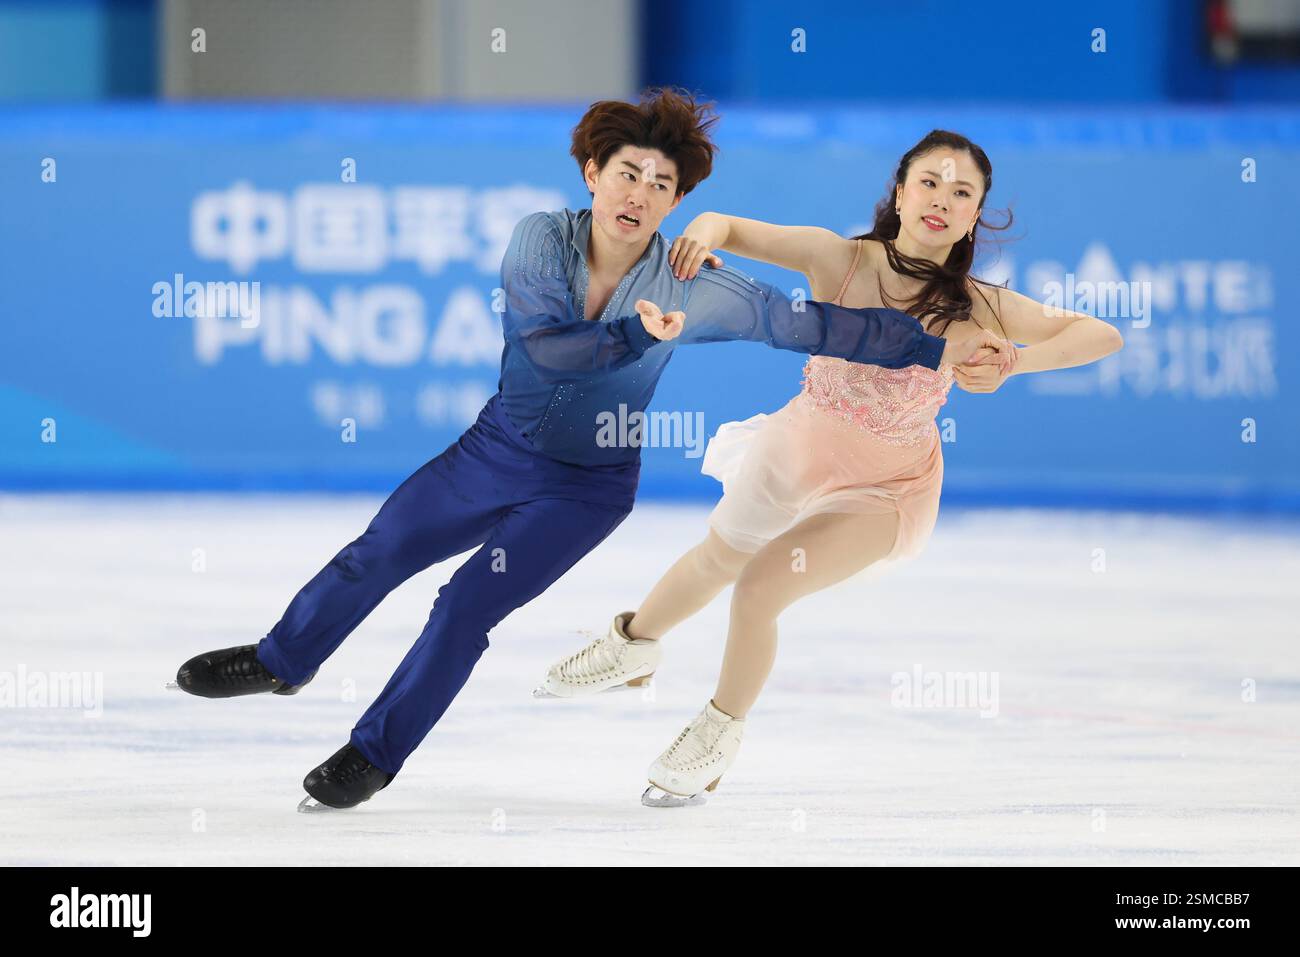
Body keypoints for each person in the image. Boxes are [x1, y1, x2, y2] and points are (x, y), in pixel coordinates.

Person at [172, 97, 1012, 810]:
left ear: (675, 200)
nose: (641, 194)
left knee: (465, 606)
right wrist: (627, 337)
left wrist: (934, 348)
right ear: (591, 175)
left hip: (587, 489)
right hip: (492, 451)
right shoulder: (540, 240)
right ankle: (282, 660)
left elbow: (810, 325)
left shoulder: (689, 281)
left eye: (661, 185)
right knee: (376, 553)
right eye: (627, 175)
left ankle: (375, 754)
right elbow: (545, 349)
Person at [536, 129, 1124, 807]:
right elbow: (730, 226)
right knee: (716, 557)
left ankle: (717, 731)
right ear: (899, 194)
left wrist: (1016, 360)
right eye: (929, 183)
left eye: (962, 192)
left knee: (760, 587)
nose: (942, 199)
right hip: (800, 446)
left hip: (885, 489)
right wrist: (703, 228)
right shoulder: (838, 259)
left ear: (973, 217)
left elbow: (1100, 334)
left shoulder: (978, 306)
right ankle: (632, 644)